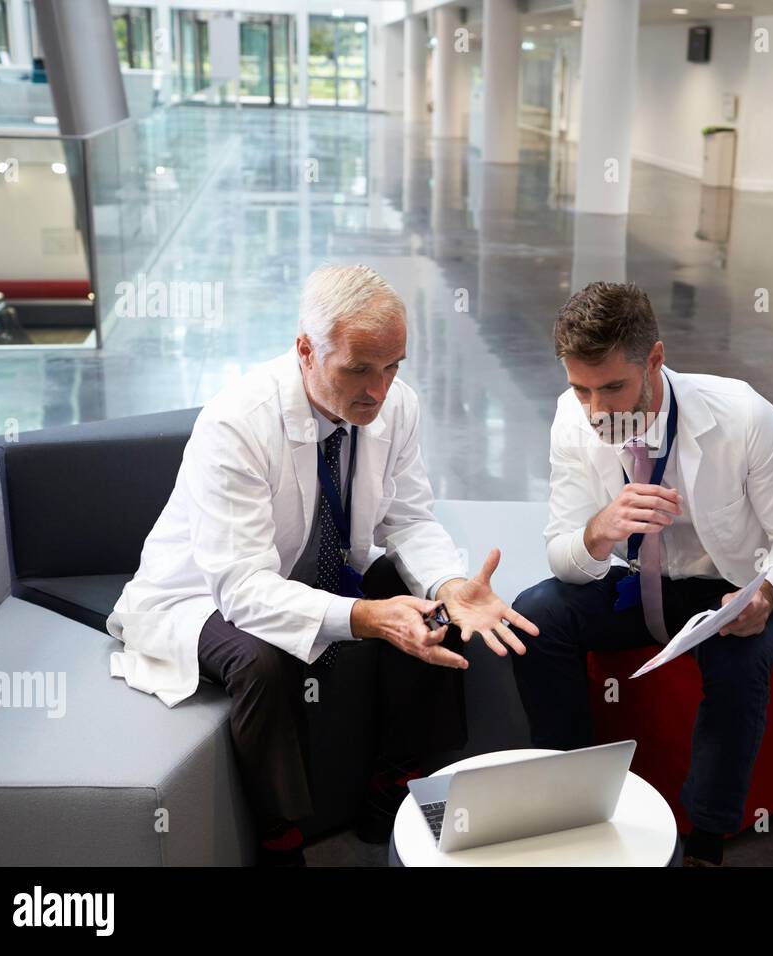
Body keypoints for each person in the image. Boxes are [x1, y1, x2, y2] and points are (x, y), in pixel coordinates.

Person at [107, 264, 537, 865]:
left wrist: (451, 583)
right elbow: (241, 587)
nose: (379, 389)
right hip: (200, 594)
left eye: (392, 367)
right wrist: (367, 617)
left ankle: (394, 781)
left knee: (436, 609)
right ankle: (280, 834)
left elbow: (409, 518)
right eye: (358, 369)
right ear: (305, 350)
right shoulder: (237, 423)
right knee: (259, 659)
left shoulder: (395, 406)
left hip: (312, 576)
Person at [511, 281, 773, 866]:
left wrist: (767, 594)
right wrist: (598, 530)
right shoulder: (573, 420)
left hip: (734, 587)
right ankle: (571, 804)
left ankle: (704, 841)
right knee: (537, 612)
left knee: (741, 658)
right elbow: (563, 556)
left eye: (614, 388)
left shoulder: (743, 415)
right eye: (580, 389)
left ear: (654, 359)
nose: (597, 412)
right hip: (633, 585)